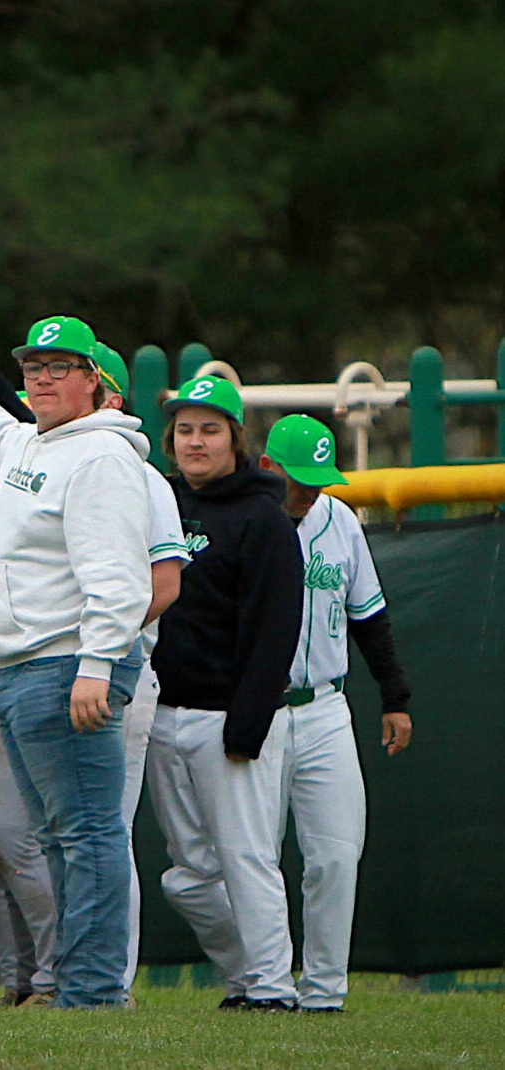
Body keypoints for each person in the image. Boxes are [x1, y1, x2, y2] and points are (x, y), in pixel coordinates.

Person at [0, 311, 152, 1008]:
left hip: (64, 667)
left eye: (60, 367)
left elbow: (119, 579)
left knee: (86, 836)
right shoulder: (33, 445)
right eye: (32, 367)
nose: (43, 378)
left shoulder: (103, 457)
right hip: (22, 669)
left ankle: (92, 991)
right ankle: (76, 986)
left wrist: (96, 666)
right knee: (59, 839)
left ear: (92, 381)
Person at [148, 376, 304, 1010]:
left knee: (246, 859)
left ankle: (270, 990)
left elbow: (274, 630)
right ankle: (245, 976)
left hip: (227, 719)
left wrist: (248, 724)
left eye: (209, 429)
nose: (195, 442)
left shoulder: (263, 518)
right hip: (161, 713)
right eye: (185, 430)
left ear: (236, 439)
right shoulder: (159, 503)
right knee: (187, 876)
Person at [261, 413, 412, 1011]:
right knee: (253, 859)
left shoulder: (340, 520)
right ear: (267, 466)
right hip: (259, 711)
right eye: (298, 477)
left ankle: (324, 991)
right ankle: (261, 983)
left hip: (326, 706)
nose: (309, 488)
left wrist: (394, 697)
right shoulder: (251, 520)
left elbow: (369, 618)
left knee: (336, 853)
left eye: (318, 477)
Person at [90, 343, 188, 992]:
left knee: (106, 831)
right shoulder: (48, 462)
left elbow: (166, 582)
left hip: (121, 671)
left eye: (78, 376)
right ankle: (71, 975)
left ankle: (111, 984)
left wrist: (99, 646)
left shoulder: (141, 475)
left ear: (112, 396)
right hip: (58, 669)